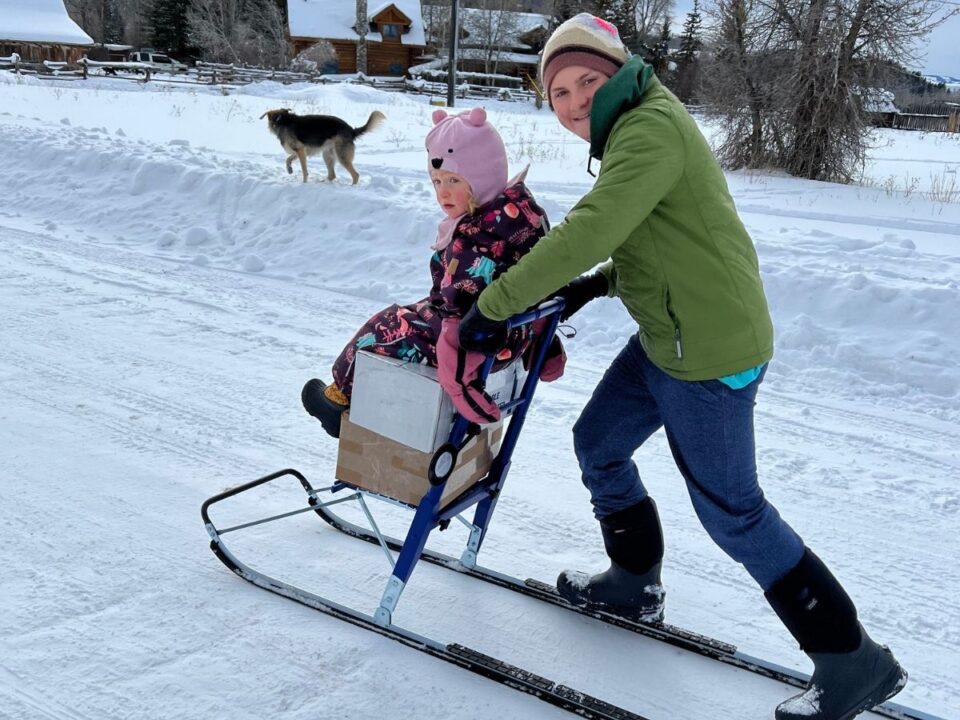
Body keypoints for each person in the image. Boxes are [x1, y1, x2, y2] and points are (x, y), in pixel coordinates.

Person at [457, 13, 906, 720]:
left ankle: (854, 660)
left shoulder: (648, 129)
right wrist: (597, 283)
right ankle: (633, 582)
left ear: (618, 72)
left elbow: (598, 224)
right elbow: (656, 236)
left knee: (735, 515)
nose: (574, 104)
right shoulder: (635, 125)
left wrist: (497, 301)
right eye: (559, 94)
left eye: (586, 82)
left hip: (707, 352)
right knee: (598, 444)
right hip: (670, 337)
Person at [302, 106, 560, 439]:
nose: (443, 191)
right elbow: (540, 285)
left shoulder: (475, 237)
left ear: (482, 175)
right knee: (417, 310)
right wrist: (547, 345)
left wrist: (460, 384)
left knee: (386, 323)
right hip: (511, 337)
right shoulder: (520, 215)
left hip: (479, 341)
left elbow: (455, 320)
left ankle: (337, 399)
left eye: (454, 180)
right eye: (437, 180)